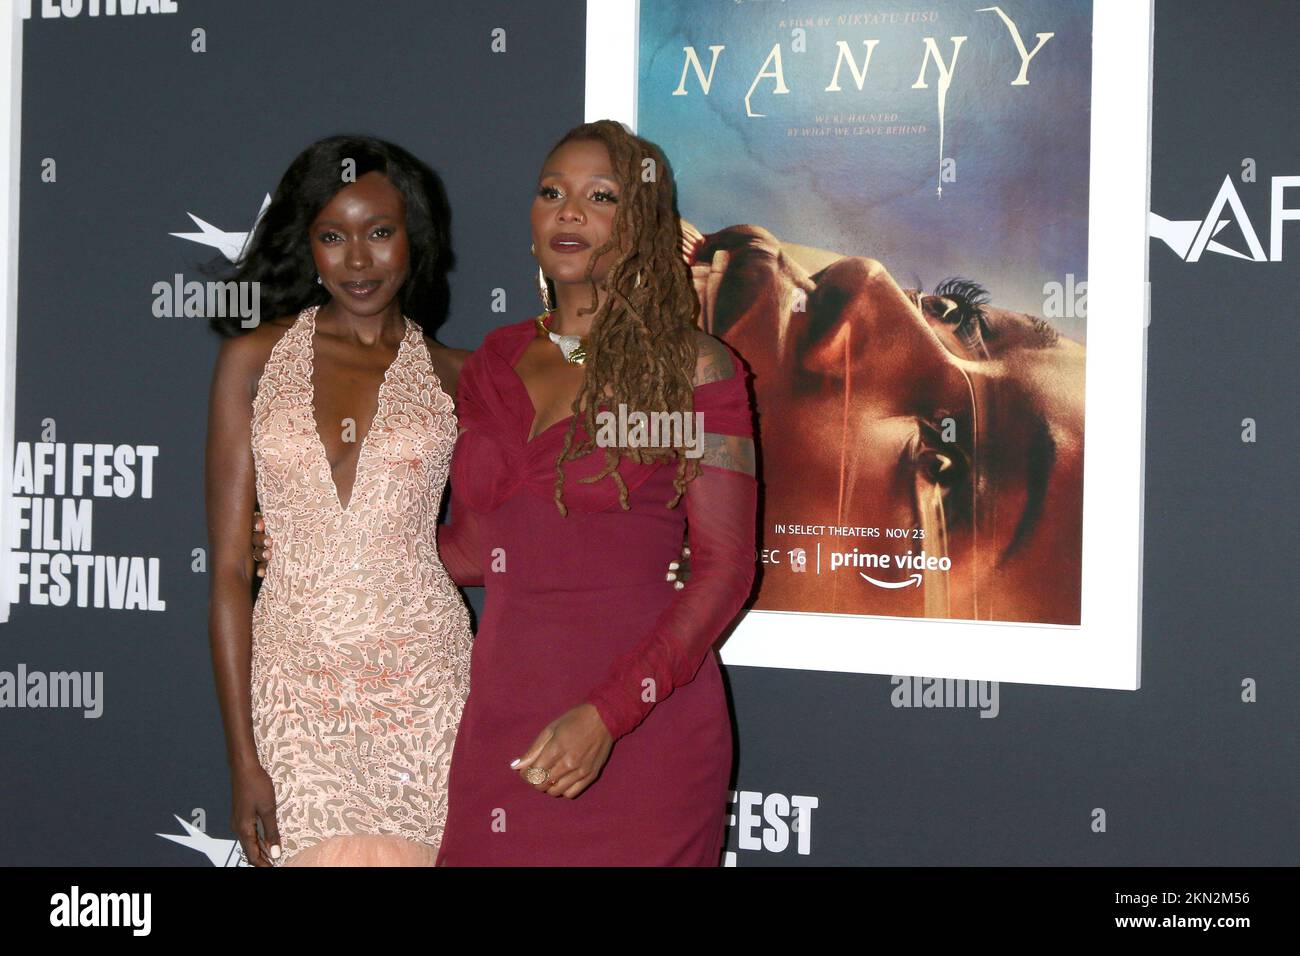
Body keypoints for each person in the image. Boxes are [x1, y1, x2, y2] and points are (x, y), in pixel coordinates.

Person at [429, 119, 757, 866]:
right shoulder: (498, 359)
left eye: (599, 196)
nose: (568, 212)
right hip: (504, 722)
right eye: (552, 193)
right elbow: (476, 549)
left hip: (644, 728)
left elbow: (725, 569)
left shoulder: (694, 369)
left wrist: (608, 717)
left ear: (640, 223)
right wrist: (331, 545)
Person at [205, 135, 472, 867]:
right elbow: (229, 573)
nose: (358, 260)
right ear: (309, 245)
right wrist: (242, 759)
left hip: (424, 687)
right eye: (333, 236)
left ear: (415, 237)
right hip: (294, 689)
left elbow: (573, 374)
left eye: (380, 233)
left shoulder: (461, 374)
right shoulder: (251, 361)